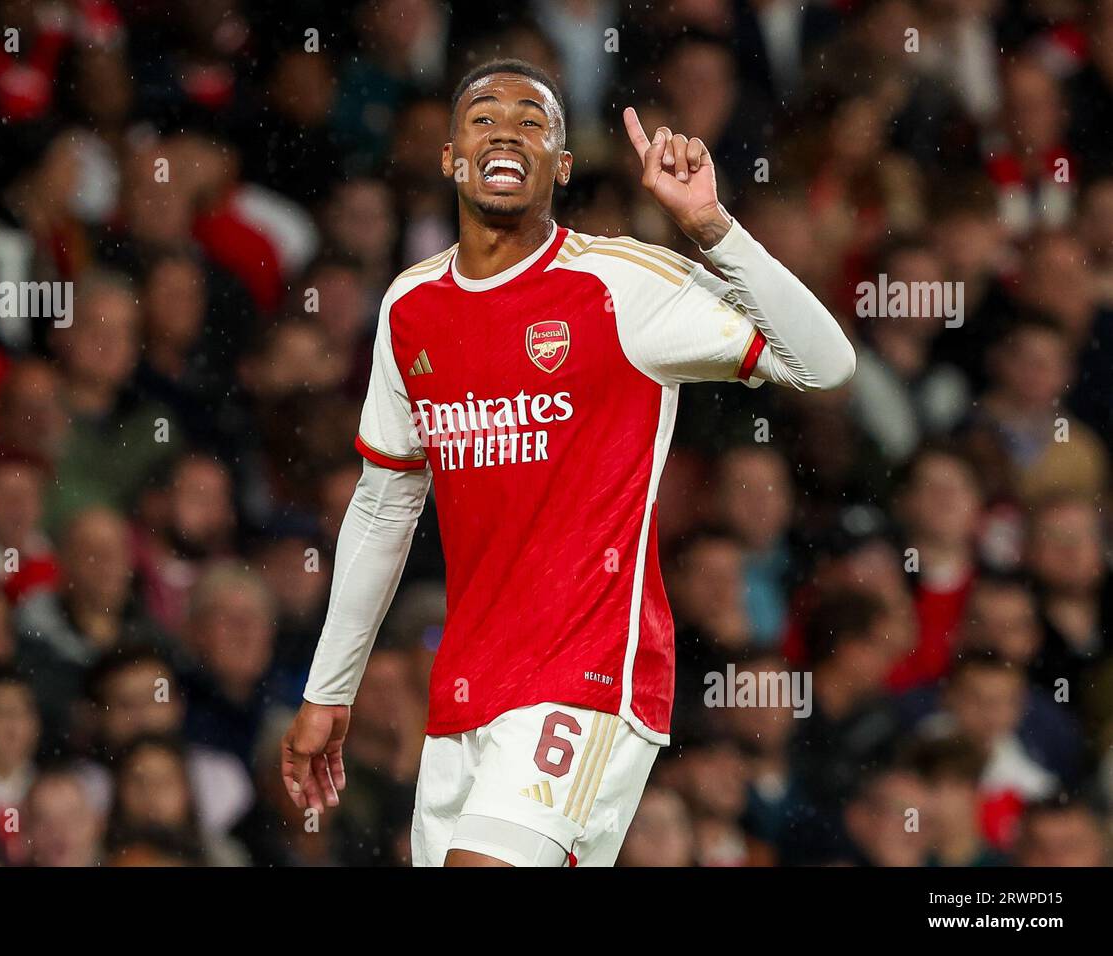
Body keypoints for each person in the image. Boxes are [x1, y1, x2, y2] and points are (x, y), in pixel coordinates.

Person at [281, 58, 856, 868]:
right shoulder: (410, 307)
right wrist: (329, 691)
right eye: (483, 118)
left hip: (588, 676)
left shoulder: (621, 285)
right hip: (466, 687)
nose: (507, 132)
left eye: (533, 121)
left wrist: (712, 227)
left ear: (563, 164)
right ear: (450, 156)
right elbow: (383, 508)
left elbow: (825, 363)